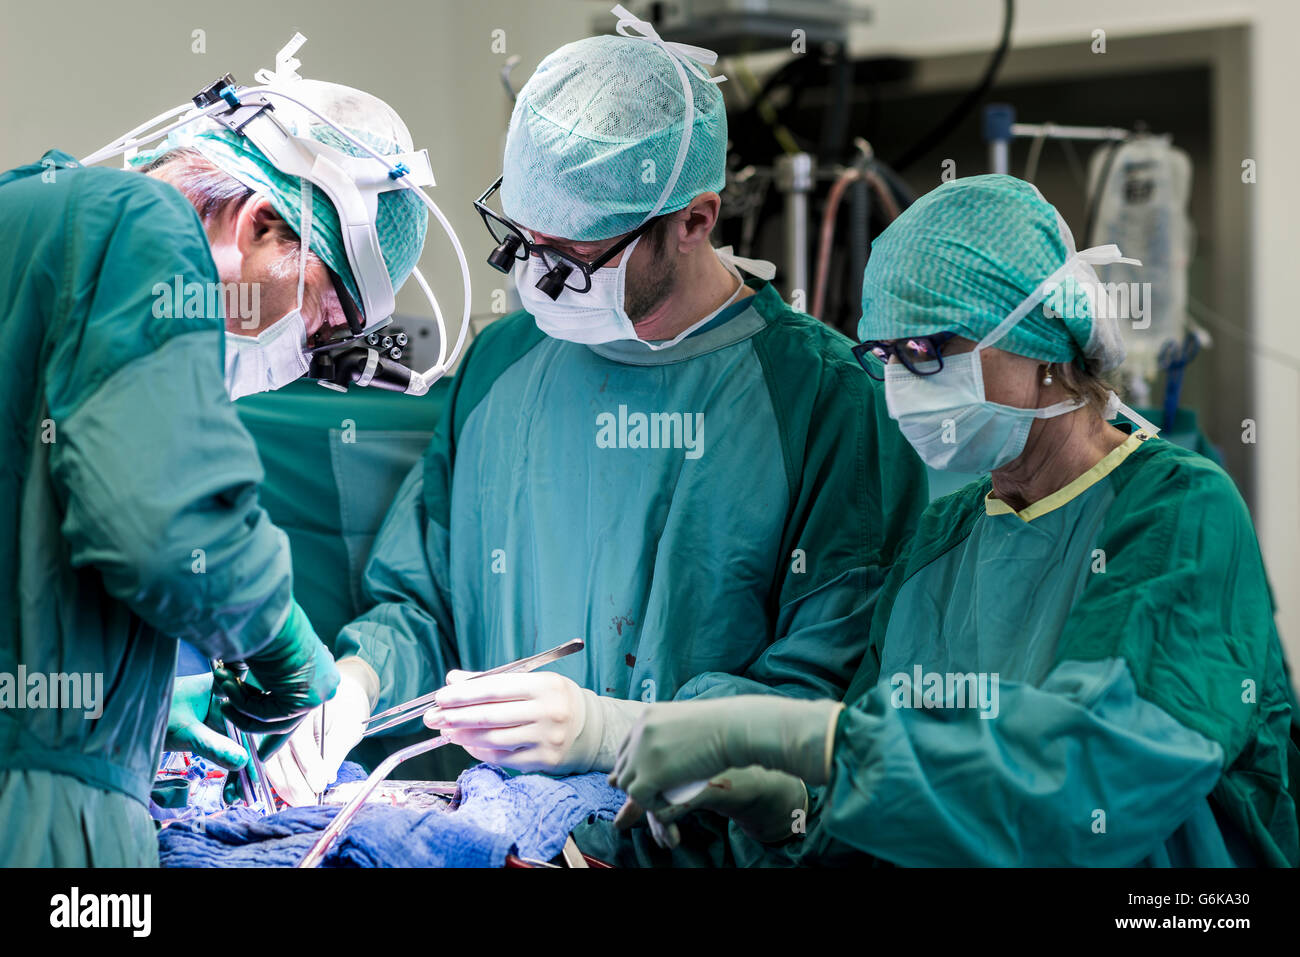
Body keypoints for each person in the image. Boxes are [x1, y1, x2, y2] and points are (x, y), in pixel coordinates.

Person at [265, 8, 927, 866]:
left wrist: (619, 735)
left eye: (573, 258)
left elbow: (820, 708)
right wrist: (356, 685)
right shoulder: (502, 365)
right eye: (522, 242)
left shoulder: (826, 404)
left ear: (694, 220)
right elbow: (421, 603)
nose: (536, 279)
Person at [609, 174, 1300, 867]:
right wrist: (786, 813)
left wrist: (808, 738)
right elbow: (899, 805)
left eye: (925, 350)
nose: (901, 387)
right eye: (885, 356)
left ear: (1039, 338)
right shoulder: (941, 542)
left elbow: (1094, 773)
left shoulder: (1180, 514)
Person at [0, 43, 438, 865]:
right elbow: (162, 522)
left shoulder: (30, 218)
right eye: (319, 316)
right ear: (260, 223)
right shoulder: (141, 227)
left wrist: (120, 705)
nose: (303, 357)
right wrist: (282, 639)